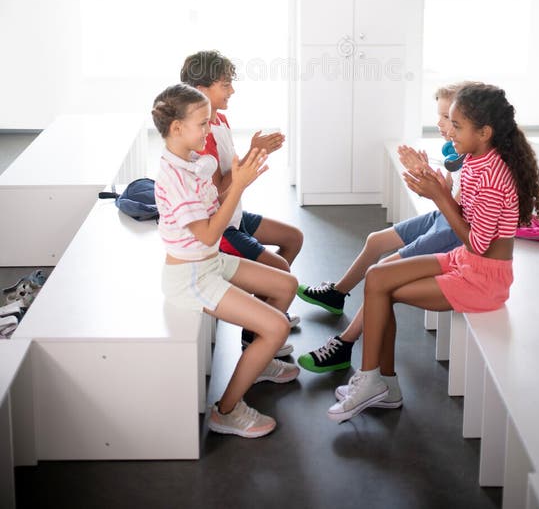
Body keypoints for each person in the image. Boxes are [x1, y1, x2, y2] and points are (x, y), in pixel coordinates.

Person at [326, 82, 539, 423]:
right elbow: (464, 214)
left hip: (483, 278)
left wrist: (439, 197)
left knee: (384, 291)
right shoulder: (475, 161)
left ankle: (375, 381)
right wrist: (440, 188)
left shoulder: (492, 175)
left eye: (456, 126)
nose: (449, 132)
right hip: (467, 262)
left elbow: (477, 243)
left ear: (485, 132)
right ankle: (382, 384)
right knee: (378, 276)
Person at [152, 83, 300, 439]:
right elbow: (206, 232)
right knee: (278, 327)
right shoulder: (174, 176)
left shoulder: (192, 162)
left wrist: (241, 175)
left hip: (210, 262)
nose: (209, 129)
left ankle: (257, 359)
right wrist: (240, 186)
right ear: (176, 128)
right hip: (192, 277)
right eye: (203, 123)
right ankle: (227, 411)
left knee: (286, 284)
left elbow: (214, 202)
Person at [296, 83, 466, 375]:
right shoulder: (456, 149)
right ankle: (337, 294)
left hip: (451, 229)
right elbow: (452, 196)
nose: (439, 123)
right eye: (439, 115)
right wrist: (429, 176)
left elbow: (460, 211)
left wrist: (431, 182)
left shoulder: (475, 155)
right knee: (376, 240)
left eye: (446, 117)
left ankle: (345, 343)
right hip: (443, 216)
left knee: (382, 272)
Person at [180, 50, 304, 350]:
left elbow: (229, 171)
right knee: (281, 271)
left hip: (235, 213)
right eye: (225, 84)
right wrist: (254, 152)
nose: (232, 90)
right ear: (201, 90)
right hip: (222, 224)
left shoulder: (219, 118)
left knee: (293, 238)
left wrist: (255, 152)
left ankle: (268, 306)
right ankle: (256, 336)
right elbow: (218, 190)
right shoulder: (202, 133)